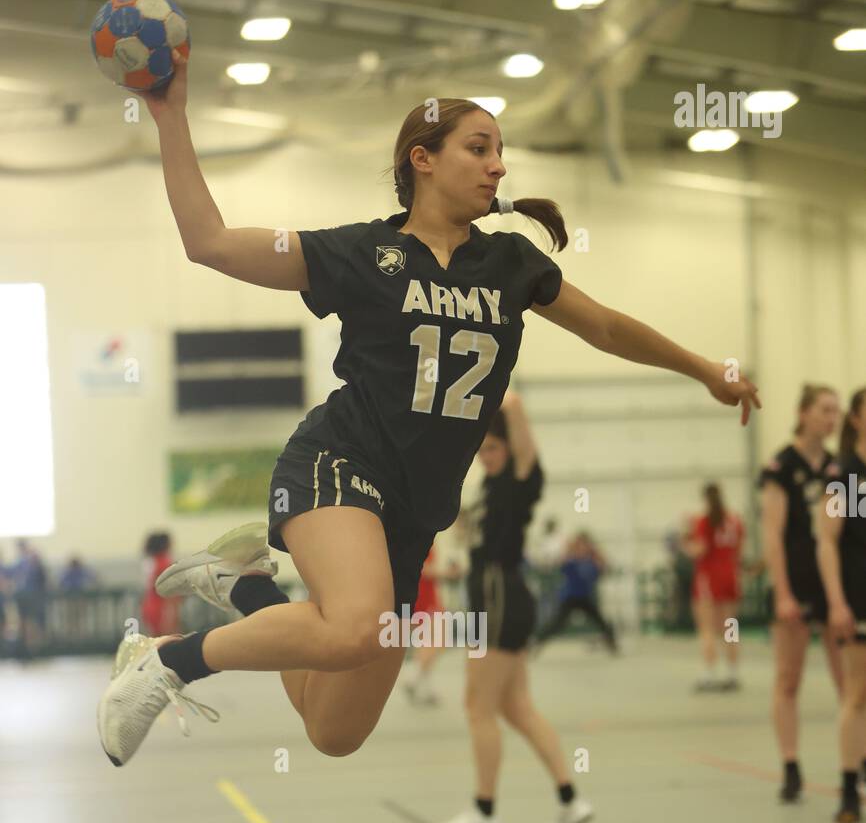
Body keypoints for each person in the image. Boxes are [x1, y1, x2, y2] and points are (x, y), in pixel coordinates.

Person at [96, 55, 760, 769]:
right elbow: (212, 244)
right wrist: (169, 116)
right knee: (355, 628)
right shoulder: (360, 252)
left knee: (334, 731)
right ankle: (165, 661)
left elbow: (603, 326)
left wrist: (702, 369)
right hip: (339, 463)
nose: (498, 166)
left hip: (415, 512)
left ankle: (246, 586)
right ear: (423, 160)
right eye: (479, 148)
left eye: (501, 152)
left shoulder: (510, 265)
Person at [432, 392, 593, 823]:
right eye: (481, 451)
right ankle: (570, 799)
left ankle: (485, 812)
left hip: (500, 601)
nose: (486, 458)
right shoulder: (486, 485)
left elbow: (517, 407)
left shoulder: (522, 479)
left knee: (477, 706)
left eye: (493, 449)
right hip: (492, 597)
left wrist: (486, 376)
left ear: (510, 447)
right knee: (517, 708)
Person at [759, 385, 842, 802]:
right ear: (803, 413)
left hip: (834, 584)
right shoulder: (780, 466)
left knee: (849, 681)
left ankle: (855, 763)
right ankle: (791, 765)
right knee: (789, 679)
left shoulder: (837, 468)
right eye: (825, 410)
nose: (833, 419)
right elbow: (771, 534)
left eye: (837, 412)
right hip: (796, 579)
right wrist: (783, 593)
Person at [817, 387, 866, 823]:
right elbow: (827, 541)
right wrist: (836, 602)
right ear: (857, 419)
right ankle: (850, 790)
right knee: (858, 692)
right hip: (858, 597)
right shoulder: (844, 475)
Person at [682, 483, 744, 690]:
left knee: (707, 628)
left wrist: (684, 540)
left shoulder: (703, 522)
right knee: (730, 627)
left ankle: (709, 674)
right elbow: (739, 550)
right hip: (731, 576)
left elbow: (698, 551)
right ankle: (733, 672)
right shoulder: (735, 520)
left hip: (709, 578)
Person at [535, 531, 618, 653]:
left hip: (584, 598)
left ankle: (612, 644)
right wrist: (568, 550)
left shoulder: (591, 562)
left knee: (600, 621)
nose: (582, 547)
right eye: (580, 544)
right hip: (570, 598)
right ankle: (537, 641)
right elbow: (557, 564)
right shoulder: (571, 561)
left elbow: (604, 569)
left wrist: (596, 555)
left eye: (585, 544)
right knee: (557, 623)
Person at [402, 544, 446, 705]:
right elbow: (422, 568)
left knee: (426, 643)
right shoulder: (422, 537)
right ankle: (413, 676)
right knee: (437, 639)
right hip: (424, 596)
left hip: (423, 594)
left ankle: (425, 686)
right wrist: (447, 573)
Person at [10, 539, 48, 660]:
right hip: (23, 599)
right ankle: (26, 651)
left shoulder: (34, 563)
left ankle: (35, 651)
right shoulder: (20, 563)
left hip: (34, 599)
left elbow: (42, 581)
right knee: (25, 624)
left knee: (33, 625)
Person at [141, 533, 182, 639]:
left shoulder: (151, 561)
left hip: (149, 604)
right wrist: (172, 613)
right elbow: (170, 591)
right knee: (168, 640)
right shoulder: (164, 562)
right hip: (162, 607)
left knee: (156, 640)